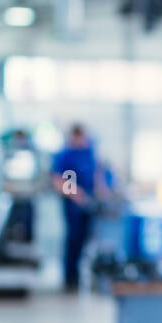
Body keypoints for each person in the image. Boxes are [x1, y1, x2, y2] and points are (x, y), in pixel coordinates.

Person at [50, 123, 106, 291]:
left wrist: (102, 191)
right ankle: (70, 278)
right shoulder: (64, 155)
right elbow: (58, 180)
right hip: (73, 204)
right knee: (73, 240)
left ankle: (91, 277)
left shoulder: (89, 153)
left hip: (90, 203)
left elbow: (97, 175)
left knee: (89, 240)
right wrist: (77, 195)